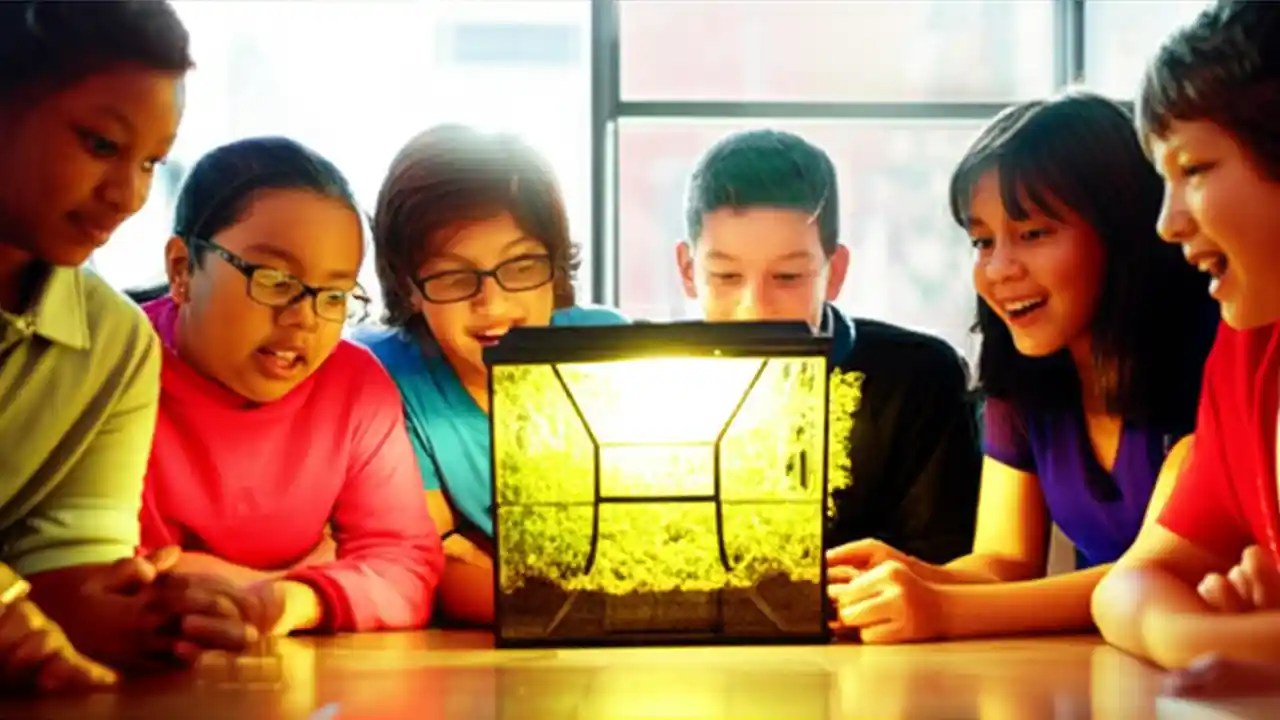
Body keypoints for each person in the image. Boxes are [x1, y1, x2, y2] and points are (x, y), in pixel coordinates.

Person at [827, 92, 1218, 643]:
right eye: (982, 241)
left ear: (1123, 231)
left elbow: (1151, 577)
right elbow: (1005, 560)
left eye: (1033, 233)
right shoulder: (1025, 376)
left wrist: (941, 609)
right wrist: (911, 576)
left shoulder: (1214, 364)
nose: (999, 269)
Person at [0, 0, 265, 692]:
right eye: (99, 144)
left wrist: (148, 615)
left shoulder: (115, 347)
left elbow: (64, 570)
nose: (127, 195)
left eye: (152, 161)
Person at [139, 137, 444, 637]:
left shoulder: (355, 388)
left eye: (334, 294)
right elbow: (92, 571)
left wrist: (295, 599)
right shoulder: (114, 369)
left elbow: (405, 562)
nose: (303, 318)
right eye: (275, 279)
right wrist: (315, 568)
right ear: (182, 269)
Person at [355, 124, 627, 626]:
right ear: (408, 287)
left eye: (521, 266)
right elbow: (431, 559)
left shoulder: (608, 353)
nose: (492, 303)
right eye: (455, 277)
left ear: (555, 264)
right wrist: (583, 611)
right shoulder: (388, 376)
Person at [676, 129, 981, 565]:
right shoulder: (653, 383)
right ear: (688, 271)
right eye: (726, 277)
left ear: (833, 273)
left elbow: (948, 566)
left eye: (787, 278)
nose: (754, 308)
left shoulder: (915, 380)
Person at [1092, 0, 1280, 687]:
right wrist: (1219, 637)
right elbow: (1127, 587)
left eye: (1195, 169)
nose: (1168, 224)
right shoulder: (1246, 357)